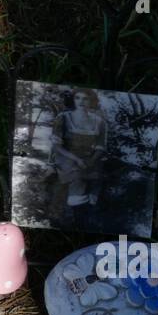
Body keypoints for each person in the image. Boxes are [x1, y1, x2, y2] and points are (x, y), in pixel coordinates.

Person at [51, 88, 108, 228]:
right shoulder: (63, 117)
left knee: (97, 175)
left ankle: (88, 210)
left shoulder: (99, 122)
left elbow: (100, 146)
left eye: (85, 98)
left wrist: (92, 160)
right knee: (77, 175)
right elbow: (57, 146)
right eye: (78, 98)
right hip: (67, 156)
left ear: (91, 101)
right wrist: (77, 159)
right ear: (73, 100)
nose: (81, 101)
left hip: (89, 157)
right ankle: (75, 214)